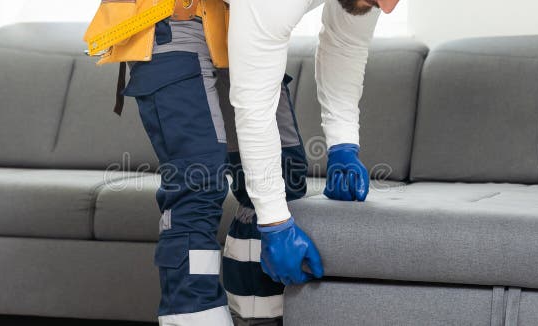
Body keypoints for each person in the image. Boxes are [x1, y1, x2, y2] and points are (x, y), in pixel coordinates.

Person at [86, 0, 311, 324]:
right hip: (171, 25)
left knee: (284, 169)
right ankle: (192, 310)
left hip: (237, 22)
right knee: (199, 180)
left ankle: (259, 313)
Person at [227, 0, 399, 299]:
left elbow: (345, 45)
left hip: (245, 17)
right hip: (179, 22)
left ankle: (265, 315)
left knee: (286, 173)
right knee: (205, 189)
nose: (387, 8)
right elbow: (253, 109)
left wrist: (343, 145)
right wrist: (274, 223)